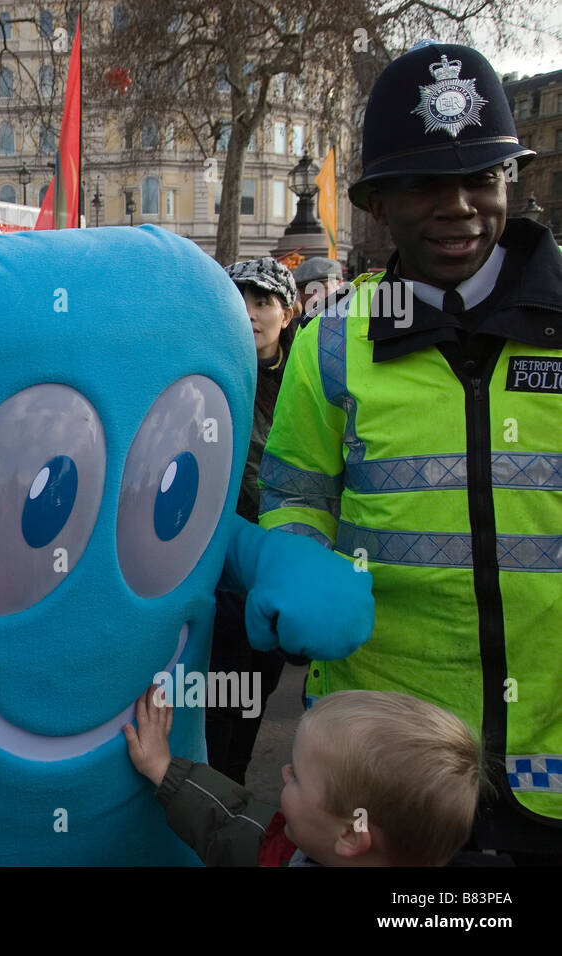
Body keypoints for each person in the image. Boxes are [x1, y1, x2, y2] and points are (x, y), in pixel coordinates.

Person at [259, 42, 562, 863]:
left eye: (482, 179)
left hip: (553, 767)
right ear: (378, 205)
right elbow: (294, 500)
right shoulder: (329, 346)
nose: (459, 206)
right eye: (426, 183)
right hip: (386, 773)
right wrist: (290, 561)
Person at [125, 684, 484, 866]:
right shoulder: (301, 841)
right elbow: (235, 823)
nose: (284, 772)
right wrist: (164, 769)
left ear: (349, 833)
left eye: (297, 776)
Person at [206, 257, 299, 784]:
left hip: (275, 562)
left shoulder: (307, 378)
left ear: (287, 312)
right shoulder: (208, 365)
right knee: (217, 696)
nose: (248, 312)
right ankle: (215, 797)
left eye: (262, 301)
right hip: (214, 565)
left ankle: (229, 792)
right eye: (237, 298)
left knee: (250, 697)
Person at [293, 256, 346, 323]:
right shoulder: (293, 328)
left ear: (340, 284)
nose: (314, 298)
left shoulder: (358, 318)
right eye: (306, 291)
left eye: (321, 288)